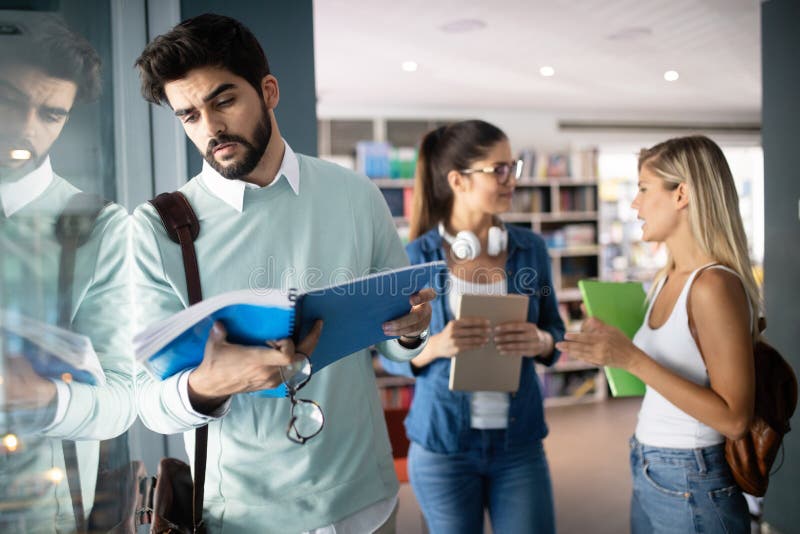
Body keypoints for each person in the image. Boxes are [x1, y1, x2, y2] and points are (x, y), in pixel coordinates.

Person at [132, 14, 434, 534]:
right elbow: (147, 401)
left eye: (223, 101)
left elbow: (395, 342)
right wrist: (210, 384)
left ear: (268, 91)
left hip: (368, 499)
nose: (210, 128)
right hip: (246, 517)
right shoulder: (158, 229)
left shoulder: (356, 194)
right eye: (189, 115)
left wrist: (410, 331)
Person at [557, 135, 758, 533]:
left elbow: (735, 419)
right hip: (651, 464)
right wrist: (615, 347)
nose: (635, 203)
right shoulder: (665, 278)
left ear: (681, 194)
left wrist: (630, 357)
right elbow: (660, 375)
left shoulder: (713, 285)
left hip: (693, 477)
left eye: (644, 189)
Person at [379, 120, 565, 534]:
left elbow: (557, 330)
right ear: (458, 181)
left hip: (519, 443)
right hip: (443, 445)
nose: (511, 179)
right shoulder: (415, 257)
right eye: (498, 169)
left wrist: (542, 340)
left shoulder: (530, 249)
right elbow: (388, 352)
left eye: (512, 168)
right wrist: (433, 346)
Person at [0, 13, 134, 531]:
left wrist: (46, 399)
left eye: (51, 114)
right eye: (9, 101)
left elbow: (123, 399)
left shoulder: (99, 228)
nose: (26, 130)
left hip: (32, 513)